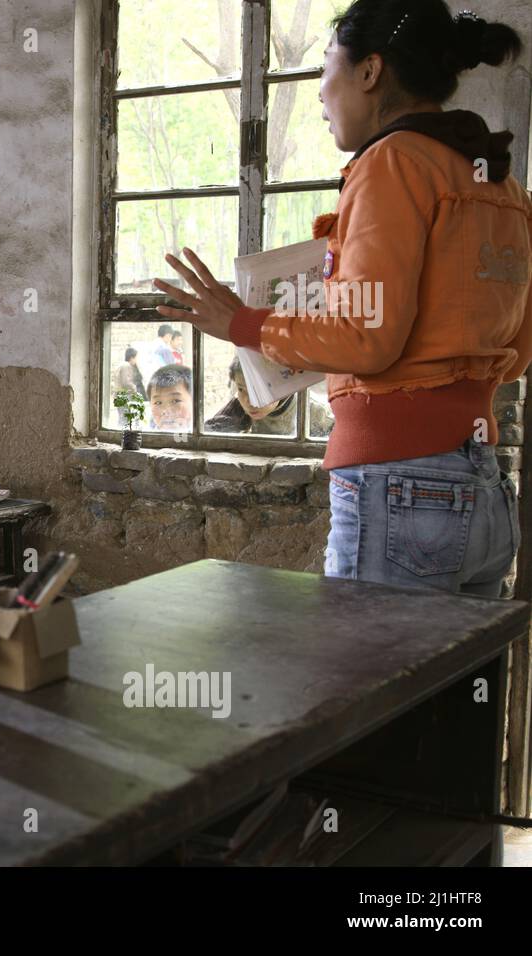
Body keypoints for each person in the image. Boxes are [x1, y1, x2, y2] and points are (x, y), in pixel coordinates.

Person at [155, 0, 528, 595]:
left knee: (372, 683)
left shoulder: (392, 163)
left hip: (401, 486)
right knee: (455, 686)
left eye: (326, 65)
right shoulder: (502, 184)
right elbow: (519, 348)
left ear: (370, 71)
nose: (322, 92)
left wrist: (245, 324)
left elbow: (367, 337)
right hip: (484, 488)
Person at [206, 357, 336, 436]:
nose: (249, 401)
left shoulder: (314, 413)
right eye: (241, 389)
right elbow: (209, 432)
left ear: (279, 384)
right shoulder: (240, 407)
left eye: (258, 390)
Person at [147, 364, 193, 432]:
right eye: (158, 403)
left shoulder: (205, 433)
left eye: (175, 401)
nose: (166, 411)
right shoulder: (147, 436)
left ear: (195, 402)